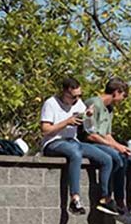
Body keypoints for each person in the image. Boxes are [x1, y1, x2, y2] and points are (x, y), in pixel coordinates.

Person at [81, 79, 131, 222]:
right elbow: (90, 134)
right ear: (116, 92)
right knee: (118, 157)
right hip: (91, 143)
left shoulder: (109, 109)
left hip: (105, 143)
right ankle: (118, 203)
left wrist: (121, 146)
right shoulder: (94, 104)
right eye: (123, 96)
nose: (123, 100)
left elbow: (107, 134)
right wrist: (116, 147)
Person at [40, 77, 113, 215]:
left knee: (106, 158)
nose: (77, 99)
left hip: (72, 141)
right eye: (74, 97)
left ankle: (105, 198)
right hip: (53, 142)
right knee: (75, 153)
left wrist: (89, 117)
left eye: (80, 95)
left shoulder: (79, 104)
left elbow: (89, 129)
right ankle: (75, 199)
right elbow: (45, 130)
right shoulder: (50, 103)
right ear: (65, 93)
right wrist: (67, 122)